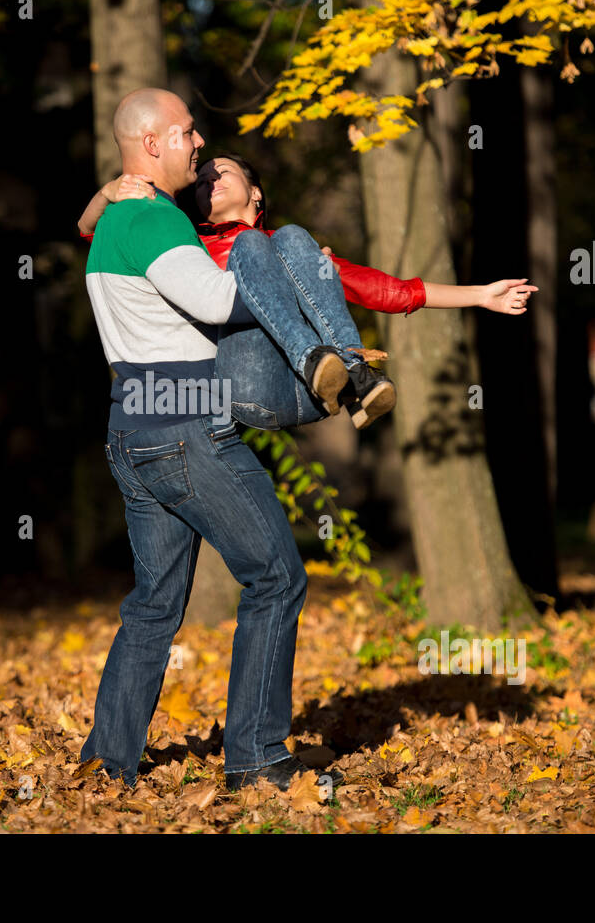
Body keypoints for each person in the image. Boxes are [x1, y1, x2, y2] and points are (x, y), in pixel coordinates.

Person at [79, 86, 345, 793]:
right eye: (188, 132)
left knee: (154, 604)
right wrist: (289, 271)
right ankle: (256, 754)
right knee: (277, 575)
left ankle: (107, 764)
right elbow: (220, 301)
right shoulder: (156, 220)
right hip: (186, 426)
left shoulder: (116, 218)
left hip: (131, 424)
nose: (200, 144)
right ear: (154, 143)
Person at [78, 154, 537, 429]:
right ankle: (326, 363)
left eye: (222, 175)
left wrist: (480, 295)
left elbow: (387, 291)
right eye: (201, 182)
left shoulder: (289, 251)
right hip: (243, 383)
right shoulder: (185, 241)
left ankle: (353, 376)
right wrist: (108, 191)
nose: (208, 183)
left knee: (293, 238)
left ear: (257, 193)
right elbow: (89, 232)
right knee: (264, 245)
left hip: (309, 395)